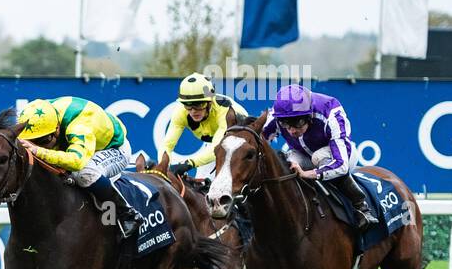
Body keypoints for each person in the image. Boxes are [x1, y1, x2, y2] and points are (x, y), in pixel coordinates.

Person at [15, 96, 141, 238]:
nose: (39, 145)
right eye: (33, 141)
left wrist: (39, 151)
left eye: (43, 141)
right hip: (79, 141)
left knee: (84, 173)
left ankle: (127, 213)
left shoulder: (78, 126)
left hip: (114, 148)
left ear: (56, 129)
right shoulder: (38, 116)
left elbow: (76, 162)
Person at [262, 83, 377, 230]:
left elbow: (341, 164)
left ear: (309, 115)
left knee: (318, 157)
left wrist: (309, 174)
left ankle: (361, 207)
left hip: (338, 157)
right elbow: (257, 141)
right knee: (287, 162)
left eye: (297, 123)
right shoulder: (277, 116)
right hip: (301, 154)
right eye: (285, 124)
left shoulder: (331, 110)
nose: (291, 131)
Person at [160, 72, 249, 176]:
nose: (193, 111)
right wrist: (163, 166)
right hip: (216, 144)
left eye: (199, 104)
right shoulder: (180, 112)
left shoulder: (226, 112)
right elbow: (167, 145)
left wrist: (189, 163)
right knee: (202, 183)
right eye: (187, 105)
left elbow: (217, 148)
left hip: (243, 145)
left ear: (210, 101)